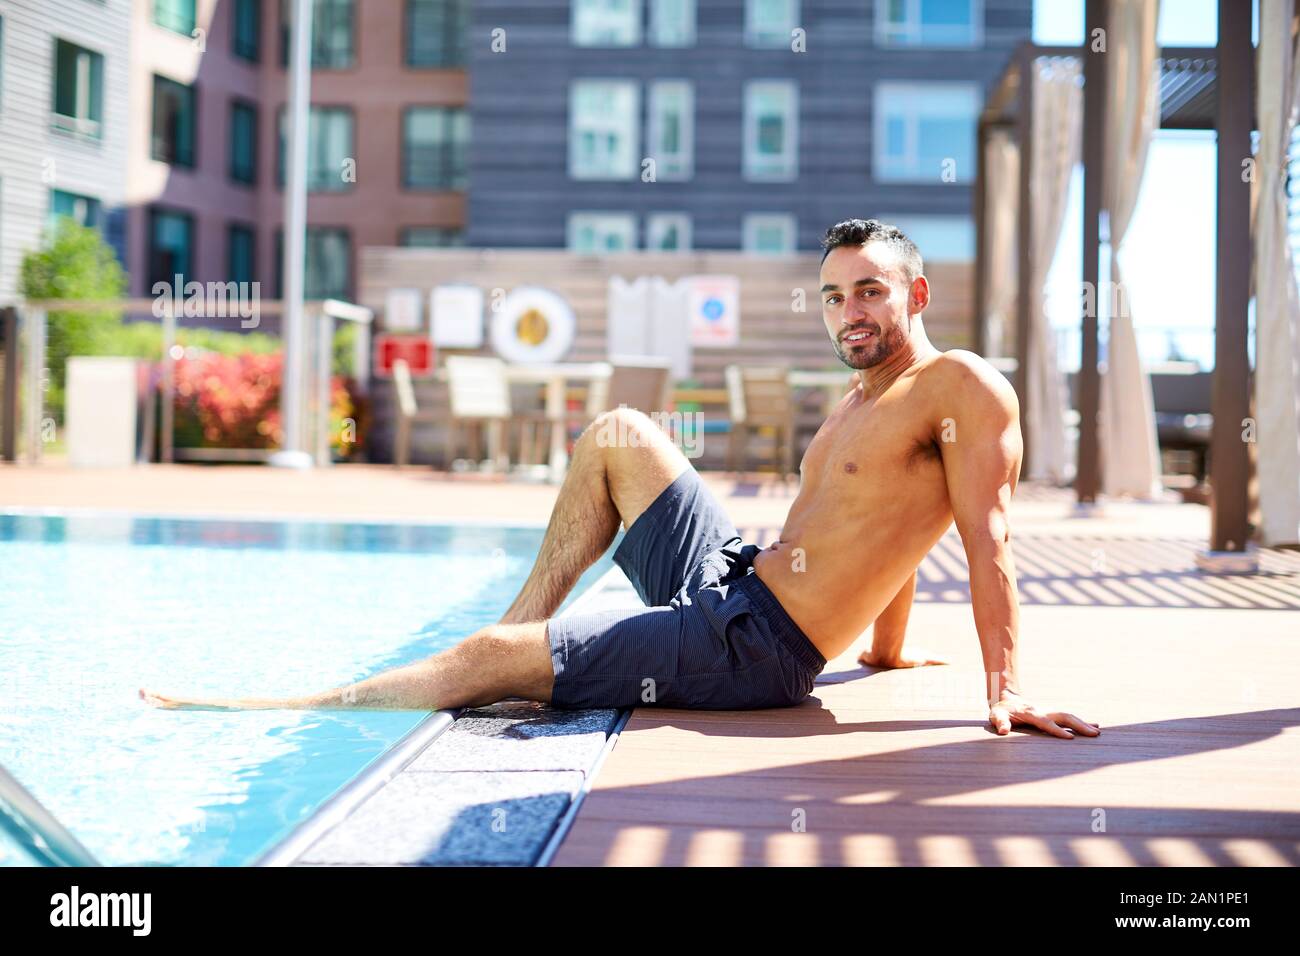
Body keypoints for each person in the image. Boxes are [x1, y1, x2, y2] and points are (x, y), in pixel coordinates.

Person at [141, 218, 1100, 741]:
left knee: (478, 657)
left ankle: (300, 707)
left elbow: (985, 536)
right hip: (737, 578)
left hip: (754, 650)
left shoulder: (963, 385)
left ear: (917, 295)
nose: (848, 310)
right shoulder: (861, 398)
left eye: (870, 290)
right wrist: (887, 651)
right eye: (834, 295)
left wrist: (1004, 689)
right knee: (618, 431)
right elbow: (897, 527)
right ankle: (527, 633)